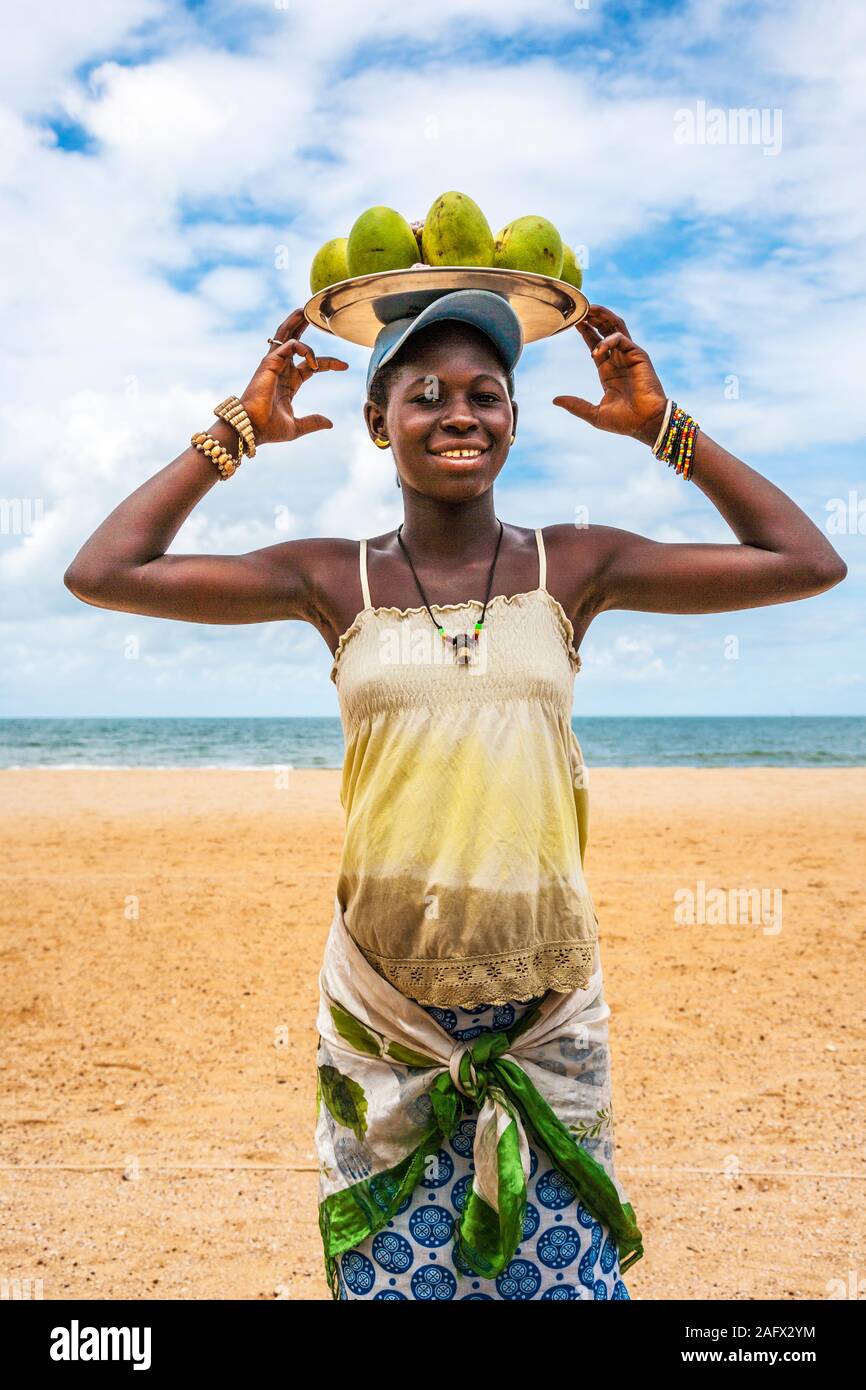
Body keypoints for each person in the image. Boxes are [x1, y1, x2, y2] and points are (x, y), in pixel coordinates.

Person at [64, 292, 847, 1301]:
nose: (459, 414)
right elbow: (103, 569)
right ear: (376, 419)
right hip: (386, 1014)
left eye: (486, 394)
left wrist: (664, 429)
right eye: (425, 394)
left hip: (546, 1010)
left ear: (512, 420)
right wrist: (238, 433)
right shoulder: (328, 577)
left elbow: (805, 560)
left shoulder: (573, 563)